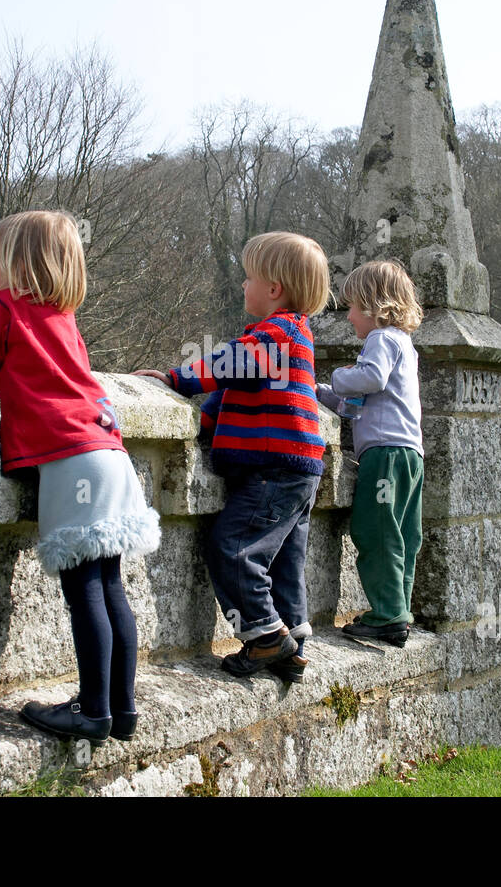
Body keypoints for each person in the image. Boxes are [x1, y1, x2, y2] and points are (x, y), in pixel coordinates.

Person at [0, 210, 160, 745]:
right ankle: (123, 707)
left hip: (70, 461)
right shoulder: (64, 318)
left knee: (83, 590)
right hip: (110, 452)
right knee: (112, 585)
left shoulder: (2, 308)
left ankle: (92, 711)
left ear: (20, 265)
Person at [133, 232, 330, 683]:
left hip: (274, 469)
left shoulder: (278, 331)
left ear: (274, 288)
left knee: (234, 547)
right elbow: (230, 393)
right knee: (283, 560)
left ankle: (263, 636)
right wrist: (203, 423)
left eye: (249, 278)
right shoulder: (286, 336)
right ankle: (291, 646)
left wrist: (176, 379)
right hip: (297, 469)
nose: (243, 286)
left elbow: (231, 364)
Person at [315, 260, 423, 648]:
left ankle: (387, 615)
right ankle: (398, 609)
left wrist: (339, 377)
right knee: (404, 534)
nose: (349, 316)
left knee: (375, 530)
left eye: (353, 307)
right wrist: (323, 394)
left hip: (385, 457)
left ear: (376, 306)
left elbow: (370, 379)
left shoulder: (381, 340)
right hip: (410, 455)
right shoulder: (405, 346)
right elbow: (360, 403)